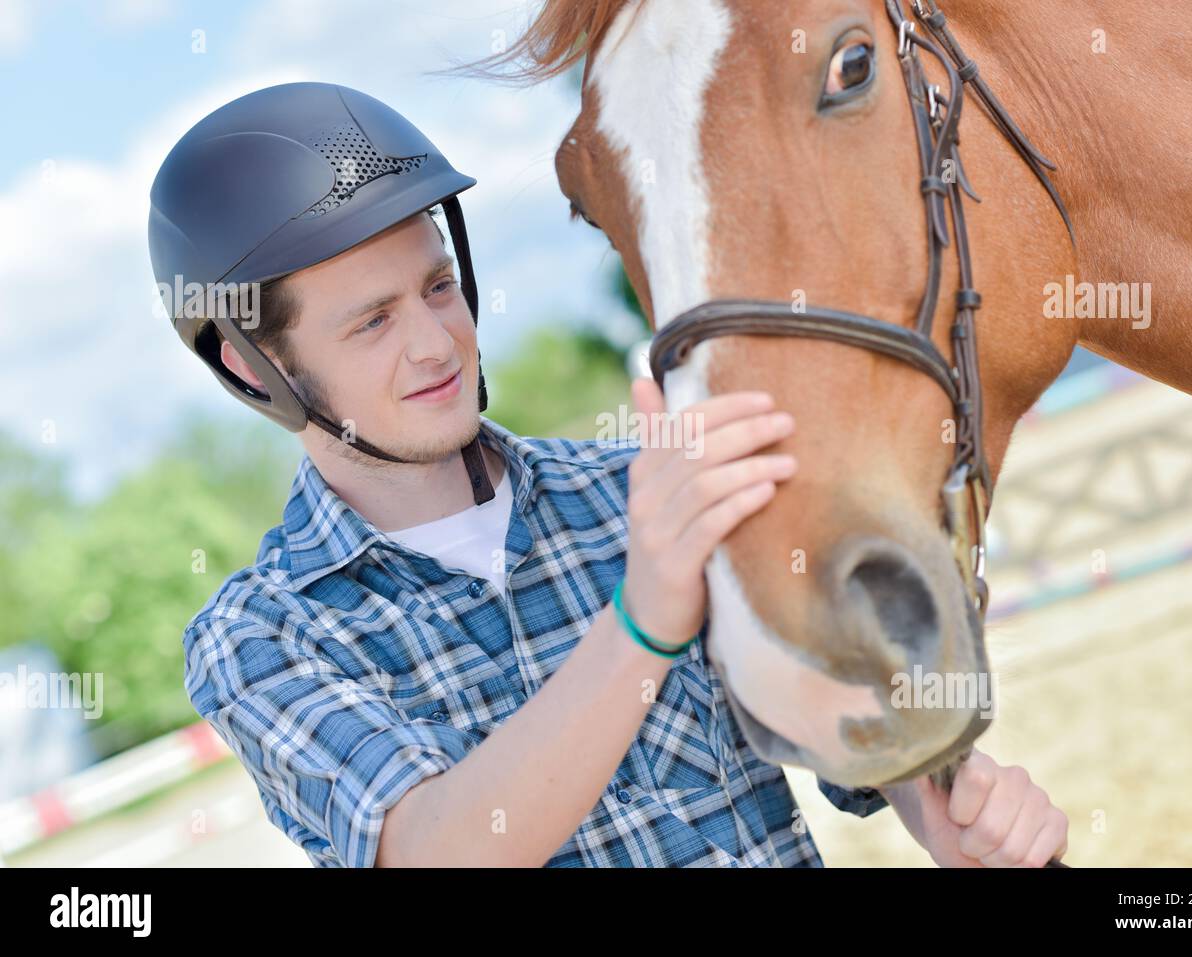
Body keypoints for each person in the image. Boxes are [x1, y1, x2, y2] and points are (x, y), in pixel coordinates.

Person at [150, 81, 1067, 868]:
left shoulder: (644, 492)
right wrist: (644, 617)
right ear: (250, 367)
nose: (438, 343)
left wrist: (954, 816)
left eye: (438, 286)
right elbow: (440, 846)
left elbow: (842, 718)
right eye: (371, 322)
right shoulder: (263, 637)